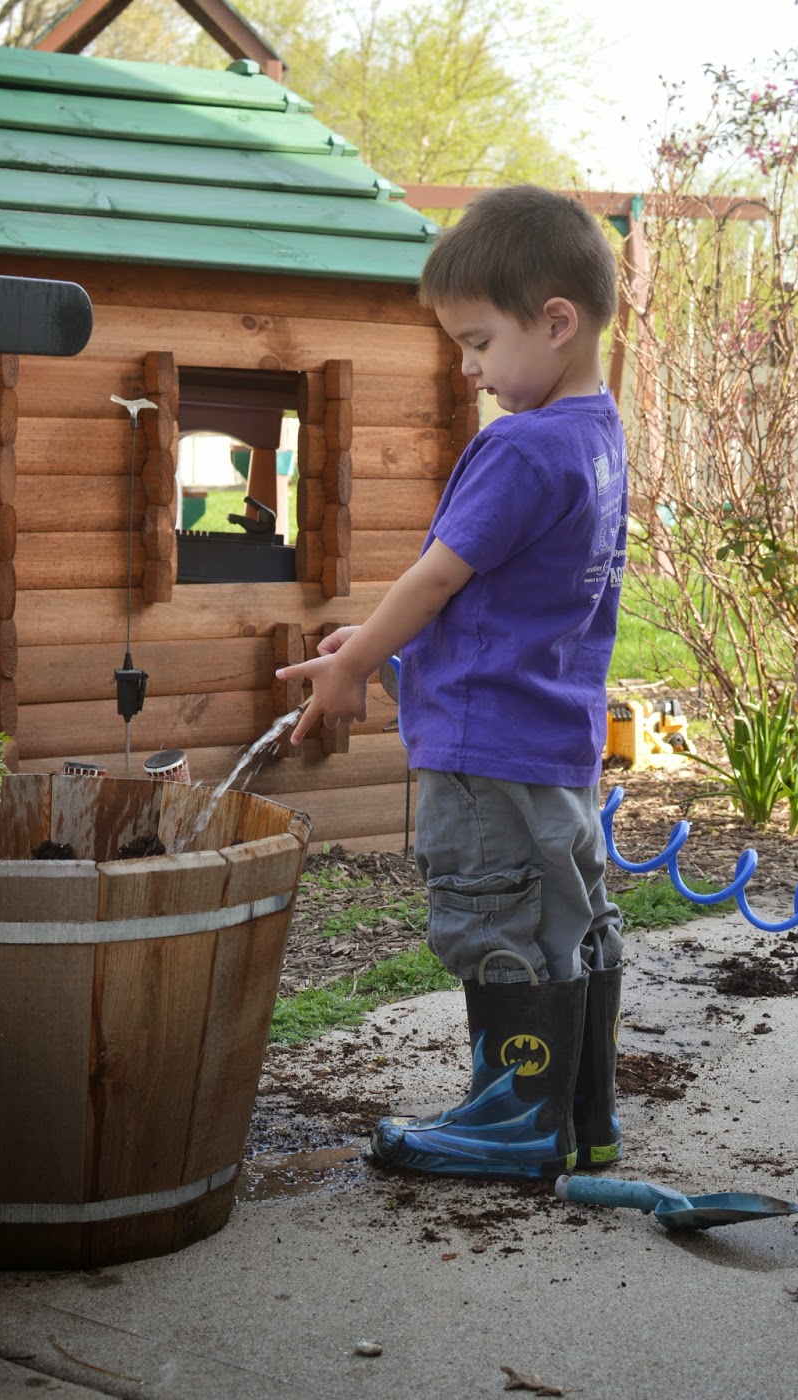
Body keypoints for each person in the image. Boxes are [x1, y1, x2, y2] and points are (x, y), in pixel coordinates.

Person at [275, 184, 627, 1180]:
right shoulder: (596, 435)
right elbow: (513, 603)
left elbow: (436, 577)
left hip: (482, 756)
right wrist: (388, 646)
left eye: (477, 342)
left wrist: (350, 665)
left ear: (554, 322)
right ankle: (581, 1117)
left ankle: (512, 1130)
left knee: (492, 921)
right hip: (553, 743)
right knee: (568, 920)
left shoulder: (518, 445)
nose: (468, 369)